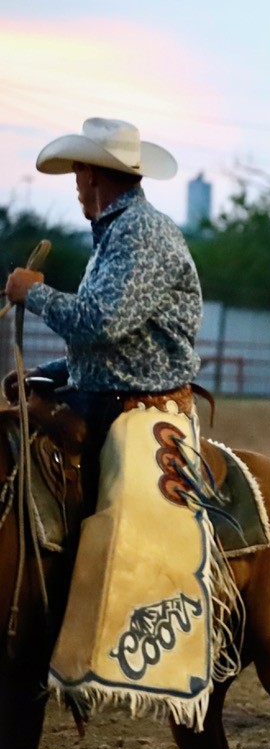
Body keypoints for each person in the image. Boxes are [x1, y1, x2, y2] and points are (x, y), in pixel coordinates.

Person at [4, 116, 202, 497]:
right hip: (109, 397)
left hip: (128, 405)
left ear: (90, 172)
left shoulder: (140, 230)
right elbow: (118, 343)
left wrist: (34, 294)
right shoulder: (120, 230)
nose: (76, 184)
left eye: (77, 171)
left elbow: (102, 322)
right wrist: (50, 373)